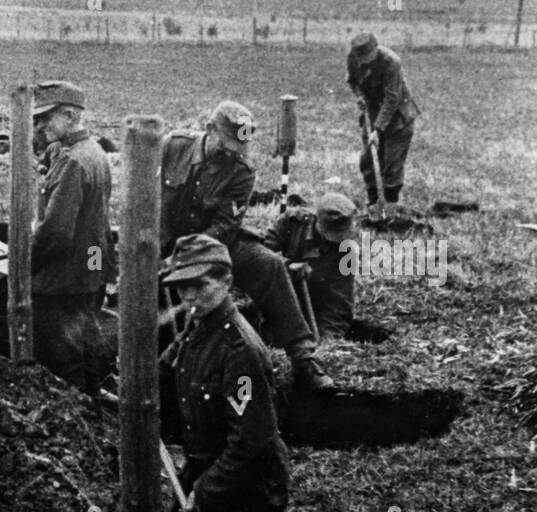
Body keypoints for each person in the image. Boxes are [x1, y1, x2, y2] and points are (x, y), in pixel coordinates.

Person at [159, 101, 332, 389]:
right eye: (225, 145)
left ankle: (303, 358)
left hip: (218, 242)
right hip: (165, 243)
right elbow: (145, 201)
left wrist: (192, 258)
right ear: (209, 129)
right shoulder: (172, 146)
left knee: (270, 265)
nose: (230, 154)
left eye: (236, 149)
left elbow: (225, 226)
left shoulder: (242, 169)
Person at [159, 233, 290, 512]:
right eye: (181, 286)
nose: (187, 297)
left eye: (198, 285)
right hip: (208, 469)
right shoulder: (198, 325)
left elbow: (252, 444)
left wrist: (203, 493)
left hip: (247, 489)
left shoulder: (239, 351)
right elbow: (168, 367)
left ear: (226, 281)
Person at [28, 80, 113, 394]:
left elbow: (57, 232)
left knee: (61, 361)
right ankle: (92, 407)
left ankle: (76, 419)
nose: (40, 125)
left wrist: (26, 264)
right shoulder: (93, 151)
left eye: (45, 118)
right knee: (86, 347)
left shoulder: (72, 161)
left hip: (65, 278)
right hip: (91, 266)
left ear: (69, 115)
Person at [264, 192, 358, 337]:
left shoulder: (346, 251)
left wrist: (327, 341)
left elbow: (339, 305)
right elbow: (260, 255)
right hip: (275, 294)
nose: (333, 241)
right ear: (316, 220)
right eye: (329, 233)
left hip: (314, 303)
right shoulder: (291, 222)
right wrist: (287, 266)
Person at [347, 32, 419, 218]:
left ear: (376, 50)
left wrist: (378, 130)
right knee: (368, 160)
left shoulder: (390, 62)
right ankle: (373, 205)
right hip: (372, 111)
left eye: (367, 59)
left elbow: (391, 99)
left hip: (397, 115)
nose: (363, 63)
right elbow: (352, 81)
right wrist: (359, 96)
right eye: (360, 59)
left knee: (391, 163)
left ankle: (390, 208)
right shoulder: (352, 58)